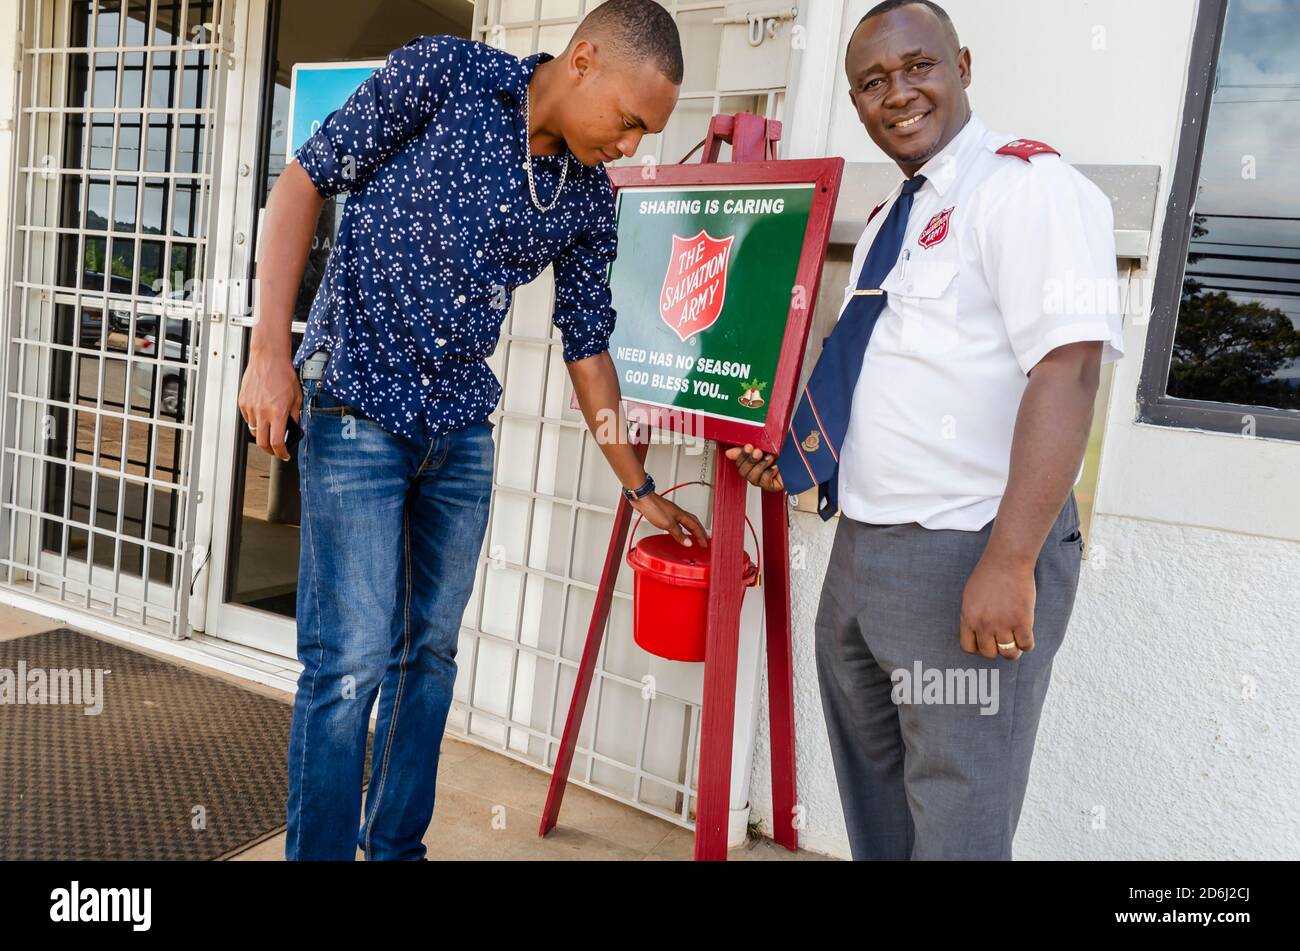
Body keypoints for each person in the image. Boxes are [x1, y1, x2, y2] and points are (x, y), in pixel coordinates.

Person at [239, 0, 707, 861]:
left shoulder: (587, 199)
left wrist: (637, 483)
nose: (633, 144)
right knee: (348, 664)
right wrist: (270, 350)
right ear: (584, 60)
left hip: (458, 436)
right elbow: (304, 179)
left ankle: (396, 850)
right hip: (356, 412)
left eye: (649, 131)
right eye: (630, 120)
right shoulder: (445, 75)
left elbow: (589, 345)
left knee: (432, 657)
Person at [726, 0, 1124, 859]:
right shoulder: (883, 225)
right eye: (872, 82)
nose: (897, 94)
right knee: (880, 814)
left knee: (958, 820)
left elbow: (1070, 370)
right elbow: (885, 370)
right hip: (863, 552)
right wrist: (797, 455)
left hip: (967, 553)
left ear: (964, 65)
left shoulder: (1030, 190)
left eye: (918, 67)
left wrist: (1012, 558)